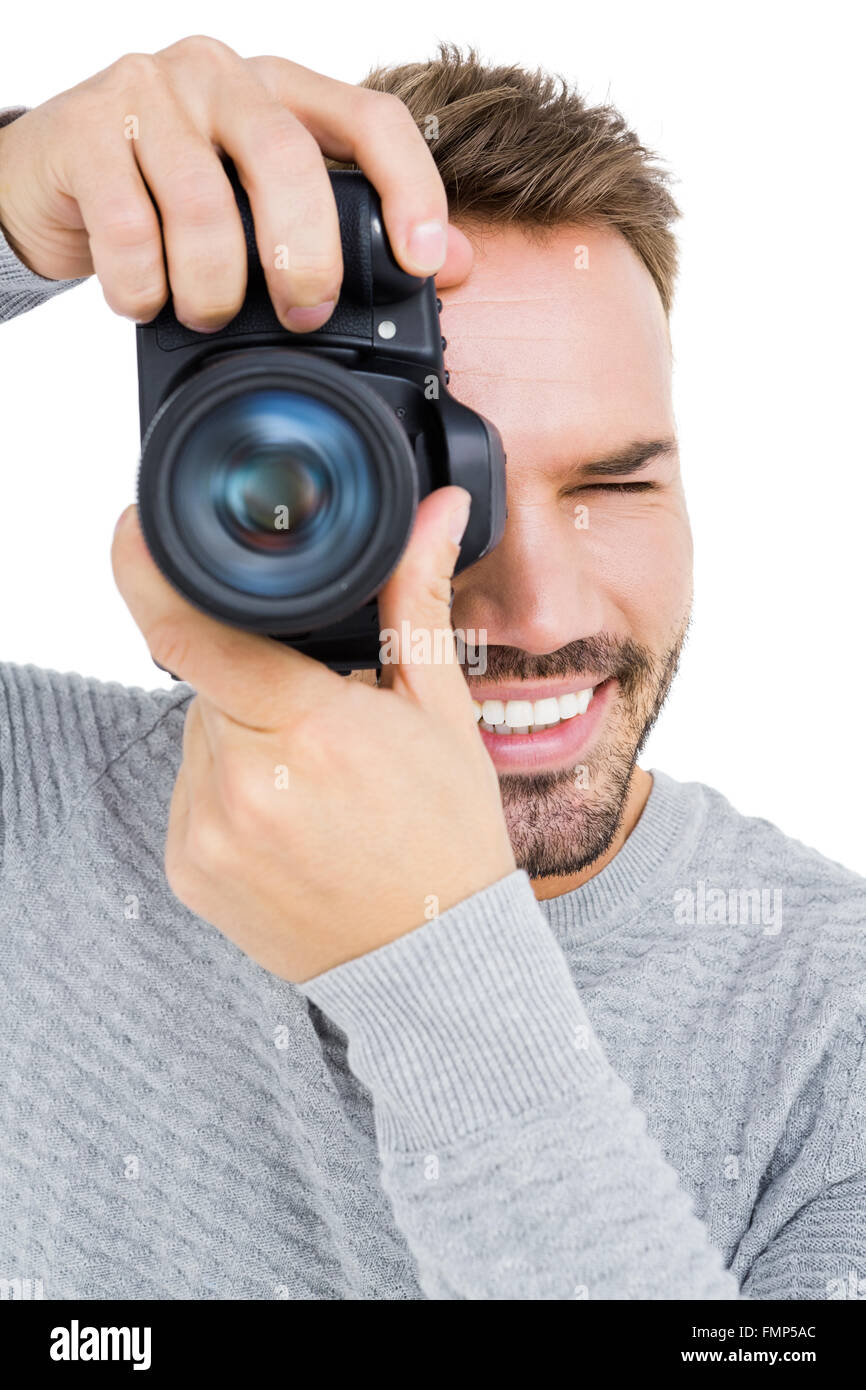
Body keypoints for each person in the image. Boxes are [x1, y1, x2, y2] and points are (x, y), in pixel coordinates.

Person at [0, 36, 863, 1302]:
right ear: (245, 491)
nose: (535, 606)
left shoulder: (828, 1021)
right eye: (435, 482)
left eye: (614, 484)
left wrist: (433, 975)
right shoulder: (40, 815)